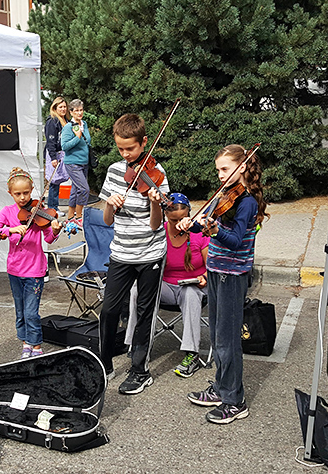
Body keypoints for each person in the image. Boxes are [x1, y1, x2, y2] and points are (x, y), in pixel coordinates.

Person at [182, 144, 268, 424]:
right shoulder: (222, 198)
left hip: (232, 275)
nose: (220, 175)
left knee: (229, 341)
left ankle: (235, 400)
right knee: (218, 336)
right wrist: (188, 223)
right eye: (218, 170)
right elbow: (200, 225)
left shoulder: (247, 203)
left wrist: (216, 230)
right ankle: (221, 388)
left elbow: (233, 241)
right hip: (216, 271)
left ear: (242, 167)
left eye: (225, 169)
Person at [99, 113, 168, 395]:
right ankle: (105, 364)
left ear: (144, 143)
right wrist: (111, 205)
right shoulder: (115, 171)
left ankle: (140, 370)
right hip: (121, 252)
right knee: (108, 310)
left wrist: (154, 203)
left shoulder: (157, 174)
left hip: (150, 252)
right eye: (120, 149)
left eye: (131, 148)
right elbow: (106, 221)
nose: (126, 155)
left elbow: (155, 224)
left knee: (144, 311)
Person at [124, 193, 209, 378]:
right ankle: (136, 343)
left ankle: (191, 353)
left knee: (190, 293)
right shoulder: (159, 232)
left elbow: (211, 266)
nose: (178, 223)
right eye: (173, 219)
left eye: (182, 218)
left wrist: (204, 276)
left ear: (189, 215)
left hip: (196, 285)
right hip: (168, 286)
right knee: (137, 289)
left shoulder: (198, 233)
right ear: (165, 216)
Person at [0, 168, 63, 358]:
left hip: (35, 270)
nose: (22, 198)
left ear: (32, 190)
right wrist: (12, 230)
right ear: (10, 193)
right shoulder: (7, 212)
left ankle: (37, 345)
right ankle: (25, 343)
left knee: (31, 312)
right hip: (14, 269)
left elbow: (48, 238)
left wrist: (55, 230)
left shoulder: (40, 213)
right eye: (17, 194)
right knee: (20, 310)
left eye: (26, 193)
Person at [60, 99, 91, 227]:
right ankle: (79, 217)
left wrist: (82, 137)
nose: (79, 113)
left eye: (81, 110)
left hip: (84, 162)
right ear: (71, 112)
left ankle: (70, 217)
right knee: (84, 189)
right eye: (76, 110)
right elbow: (64, 146)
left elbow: (87, 141)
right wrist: (77, 137)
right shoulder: (68, 127)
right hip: (72, 163)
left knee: (76, 190)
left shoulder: (84, 124)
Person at [44, 96, 69, 214]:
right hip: (54, 154)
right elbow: (51, 141)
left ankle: (55, 206)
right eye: (61, 107)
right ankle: (52, 208)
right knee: (53, 181)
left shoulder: (66, 121)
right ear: (55, 108)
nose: (63, 109)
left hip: (63, 154)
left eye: (64, 107)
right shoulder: (52, 122)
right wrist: (53, 158)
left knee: (58, 180)